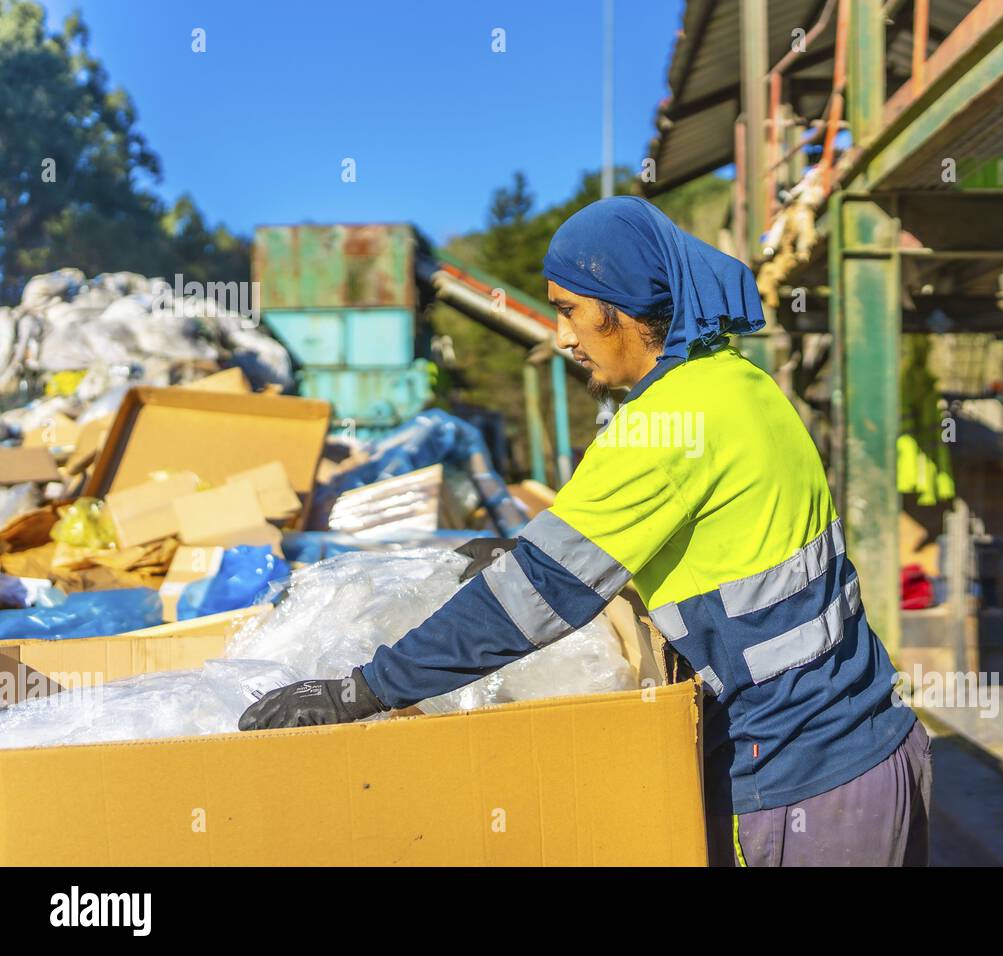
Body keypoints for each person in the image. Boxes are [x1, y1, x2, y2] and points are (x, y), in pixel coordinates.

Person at [240, 195, 932, 867]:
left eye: (571, 311)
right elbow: (700, 540)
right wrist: (525, 551)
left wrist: (364, 690)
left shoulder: (662, 427)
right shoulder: (740, 384)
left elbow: (537, 599)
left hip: (799, 787)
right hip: (882, 751)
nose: (564, 337)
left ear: (624, 306)